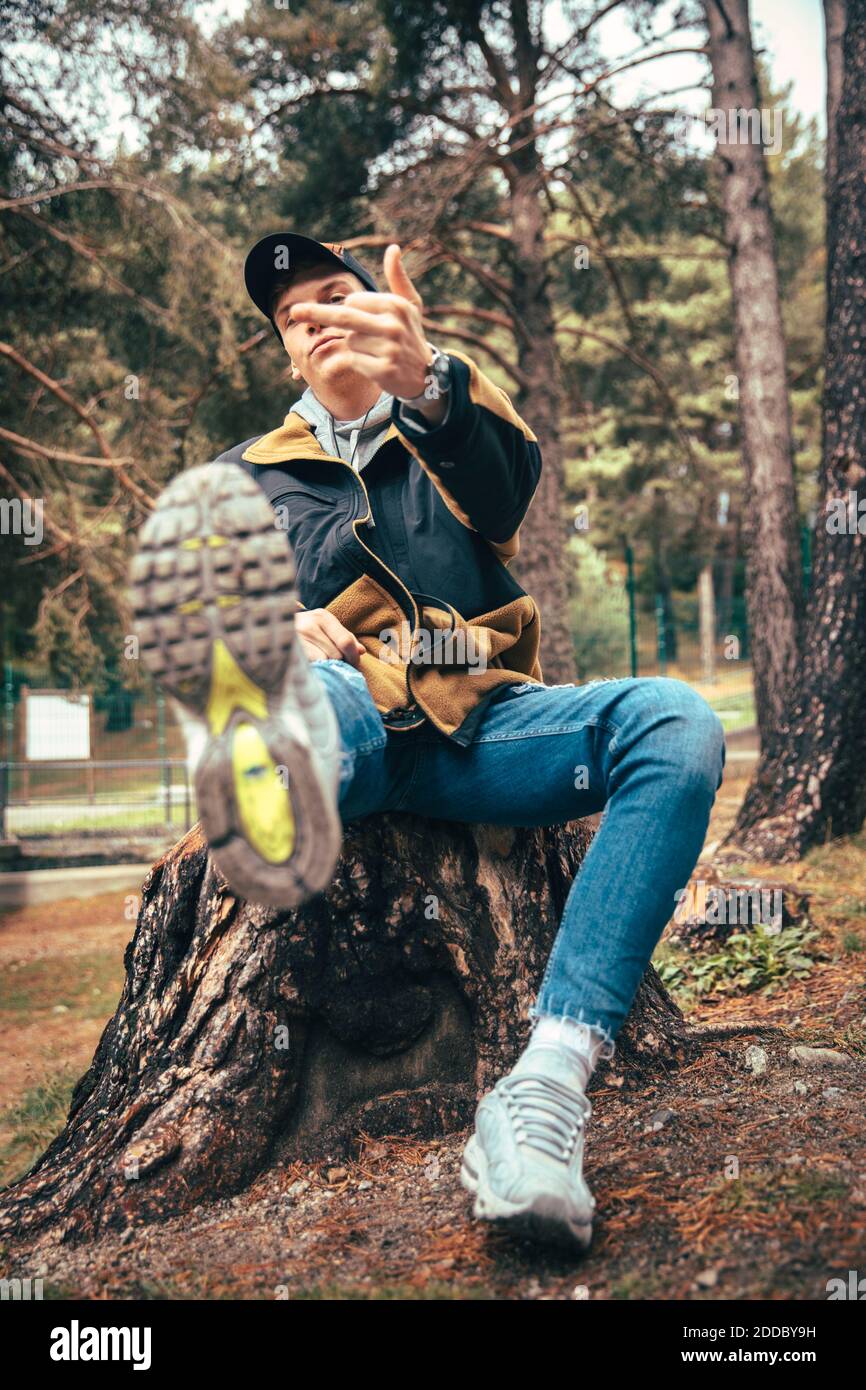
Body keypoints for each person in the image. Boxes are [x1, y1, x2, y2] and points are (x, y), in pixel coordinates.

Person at [130, 231, 725, 1250]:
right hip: (339, 720)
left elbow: (501, 490)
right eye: (290, 316)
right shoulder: (234, 479)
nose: (312, 316)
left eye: (332, 294)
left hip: (476, 724)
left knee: (676, 725)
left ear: (383, 310)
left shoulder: (451, 419)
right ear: (282, 352)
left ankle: (542, 1091)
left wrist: (430, 382)